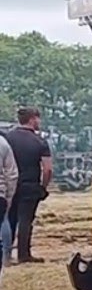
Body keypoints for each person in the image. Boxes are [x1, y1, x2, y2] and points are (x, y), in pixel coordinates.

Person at [6, 106, 51, 265]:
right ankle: (23, 254)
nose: (39, 121)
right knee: (25, 220)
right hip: (30, 185)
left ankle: (5, 254)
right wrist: (43, 187)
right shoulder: (39, 141)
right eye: (38, 118)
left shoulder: (7, 138)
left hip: (10, 183)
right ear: (32, 119)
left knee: (9, 219)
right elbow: (47, 168)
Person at [0, 132, 16, 274]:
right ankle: (6, 256)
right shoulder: (3, 144)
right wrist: (8, 196)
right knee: (3, 221)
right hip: (0, 194)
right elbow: (11, 174)